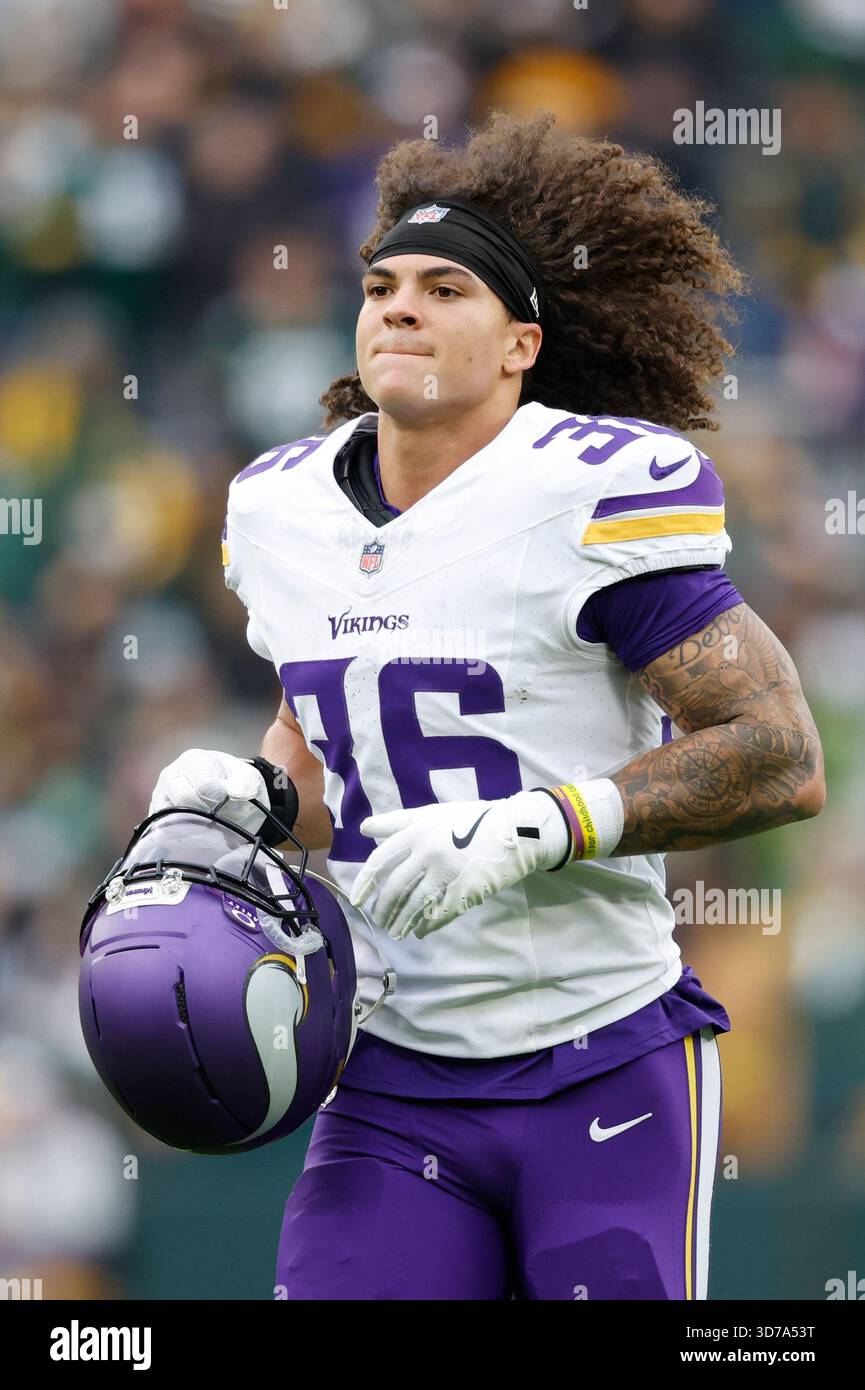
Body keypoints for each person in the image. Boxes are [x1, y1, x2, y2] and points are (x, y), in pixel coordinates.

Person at [150, 111, 826, 1300]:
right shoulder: (280, 508)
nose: (398, 306)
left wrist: (539, 824)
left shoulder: (591, 491)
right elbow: (325, 757)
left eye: (443, 287)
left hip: (601, 1060)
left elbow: (777, 753)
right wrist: (251, 798)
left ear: (520, 343)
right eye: (380, 284)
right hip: (392, 1071)